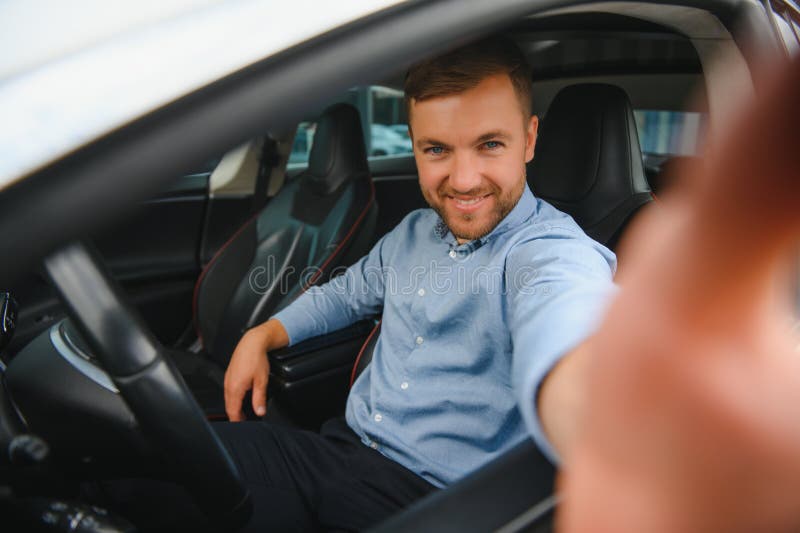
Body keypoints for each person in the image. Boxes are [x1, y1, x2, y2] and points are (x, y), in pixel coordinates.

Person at [221, 36, 616, 531]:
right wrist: (263, 334)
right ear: (414, 147)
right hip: (336, 454)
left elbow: (571, 322)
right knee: (184, 467)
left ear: (530, 140)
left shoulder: (550, 251)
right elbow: (343, 296)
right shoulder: (409, 233)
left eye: (490, 144)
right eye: (437, 149)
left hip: (434, 501)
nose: (465, 180)